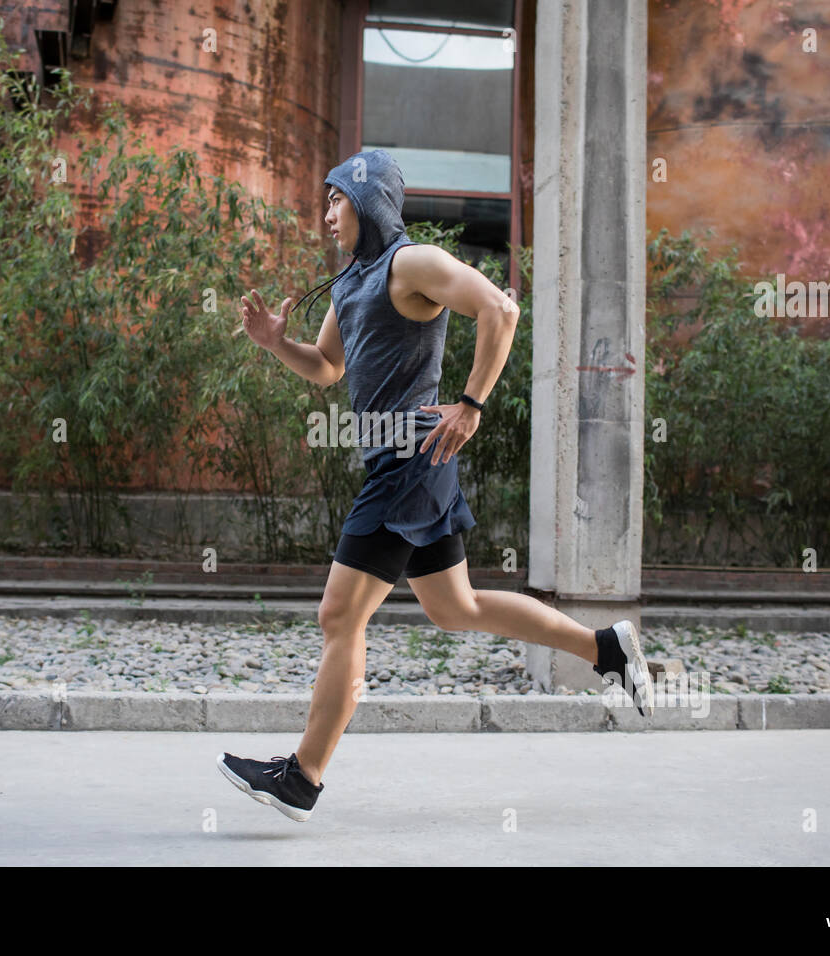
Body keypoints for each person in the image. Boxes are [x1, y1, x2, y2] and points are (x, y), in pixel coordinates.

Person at [218, 149, 651, 823]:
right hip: (403, 464)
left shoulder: (409, 263)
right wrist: (277, 343)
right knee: (455, 608)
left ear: (366, 201)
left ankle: (303, 775)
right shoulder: (351, 283)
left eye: (335, 200)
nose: (327, 214)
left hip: (409, 459)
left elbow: (499, 310)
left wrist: (471, 404)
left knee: (339, 614)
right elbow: (329, 367)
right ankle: (604, 648)